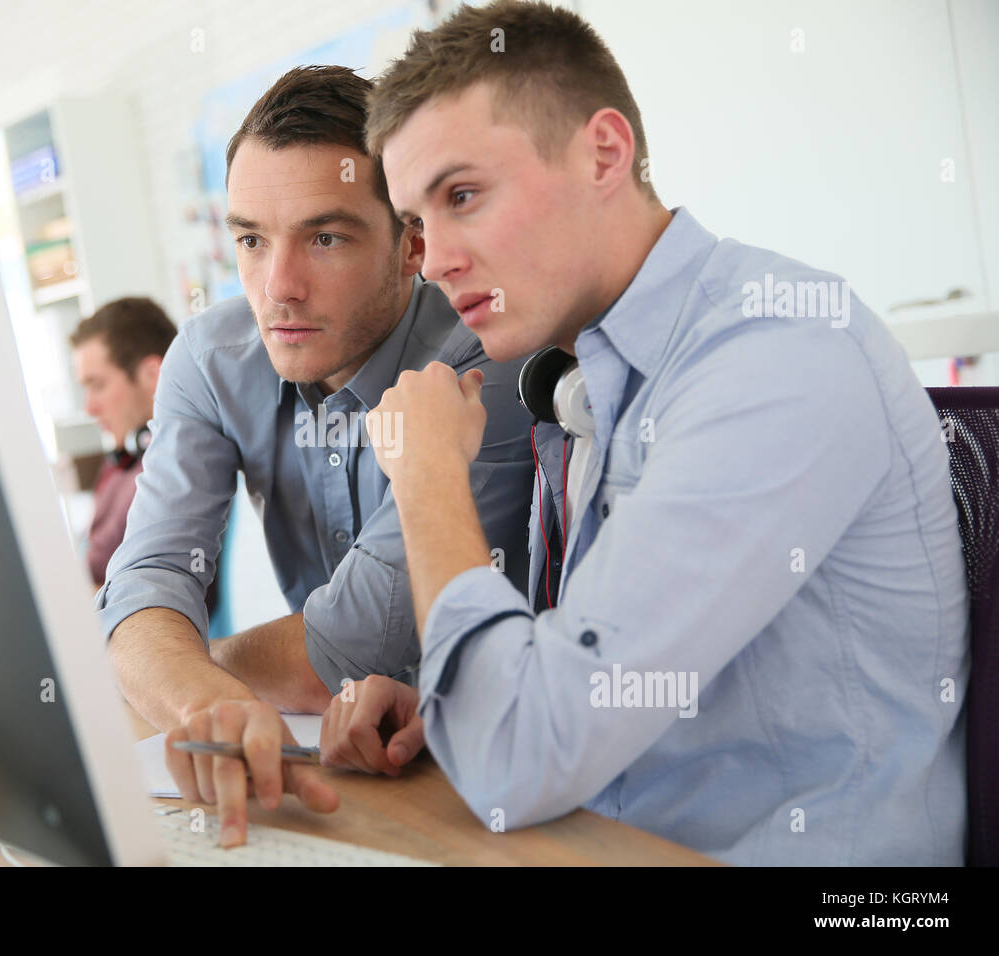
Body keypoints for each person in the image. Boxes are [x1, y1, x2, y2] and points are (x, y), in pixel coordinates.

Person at [346, 0, 968, 865]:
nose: (438, 257)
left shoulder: (775, 354)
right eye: (419, 223)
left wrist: (425, 477)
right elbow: (573, 695)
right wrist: (453, 700)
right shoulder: (582, 374)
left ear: (605, 152)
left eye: (463, 196)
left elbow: (517, 758)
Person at [95, 65, 535, 847]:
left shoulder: (484, 358)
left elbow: (358, 641)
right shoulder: (212, 355)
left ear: (413, 244)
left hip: (512, 781)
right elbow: (145, 581)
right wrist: (205, 704)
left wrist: (195, 664)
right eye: (251, 240)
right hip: (361, 764)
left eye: (325, 237)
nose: (278, 288)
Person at [70, 297, 176, 587]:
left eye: (98, 385)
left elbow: (146, 599)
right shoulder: (124, 457)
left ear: (152, 375)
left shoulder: (175, 474)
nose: (89, 407)